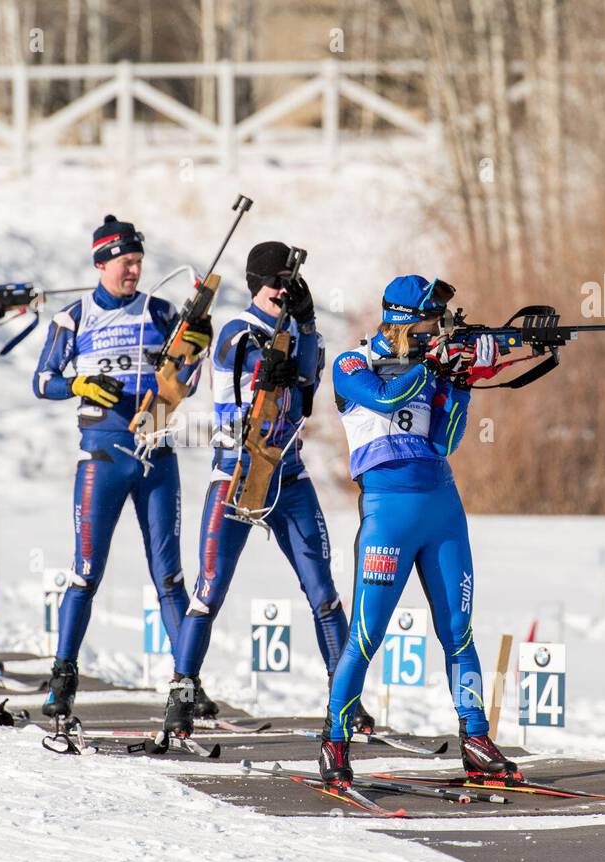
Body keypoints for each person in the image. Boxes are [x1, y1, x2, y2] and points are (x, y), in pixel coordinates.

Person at [163, 241, 369, 738]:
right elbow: (247, 378)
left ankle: (346, 701)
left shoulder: (297, 330)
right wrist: (275, 364)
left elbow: (304, 403)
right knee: (209, 590)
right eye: (277, 283)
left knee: (324, 592)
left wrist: (310, 324)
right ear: (258, 284)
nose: (284, 291)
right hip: (236, 472)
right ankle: (182, 693)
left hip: (288, 473)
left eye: (290, 283)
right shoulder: (237, 329)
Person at [319, 274, 518, 788]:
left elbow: (445, 440)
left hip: (443, 507)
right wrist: (432, 366)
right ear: (407, 320)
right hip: (388, 512)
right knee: (367, 635)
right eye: (432, 322)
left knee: (459, 632)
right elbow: (385, 399)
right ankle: (334, 740)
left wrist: (461, 384)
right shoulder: (351, 363)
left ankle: (475, 736)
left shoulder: (430, 369)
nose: (438, 331)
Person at [32, 215, 212, 720]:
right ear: (101, 262)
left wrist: (194, 350)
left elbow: (187, 382)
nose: (133, 271)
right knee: (87, 570)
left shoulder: (161, 311)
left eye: (138, 262)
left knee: (171, 576)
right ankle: (62, 679)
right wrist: (79, 385)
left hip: (155, 450)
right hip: (104, 455)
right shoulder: (74, 316)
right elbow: (42, 380)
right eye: (125, 262)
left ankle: (186, 684)